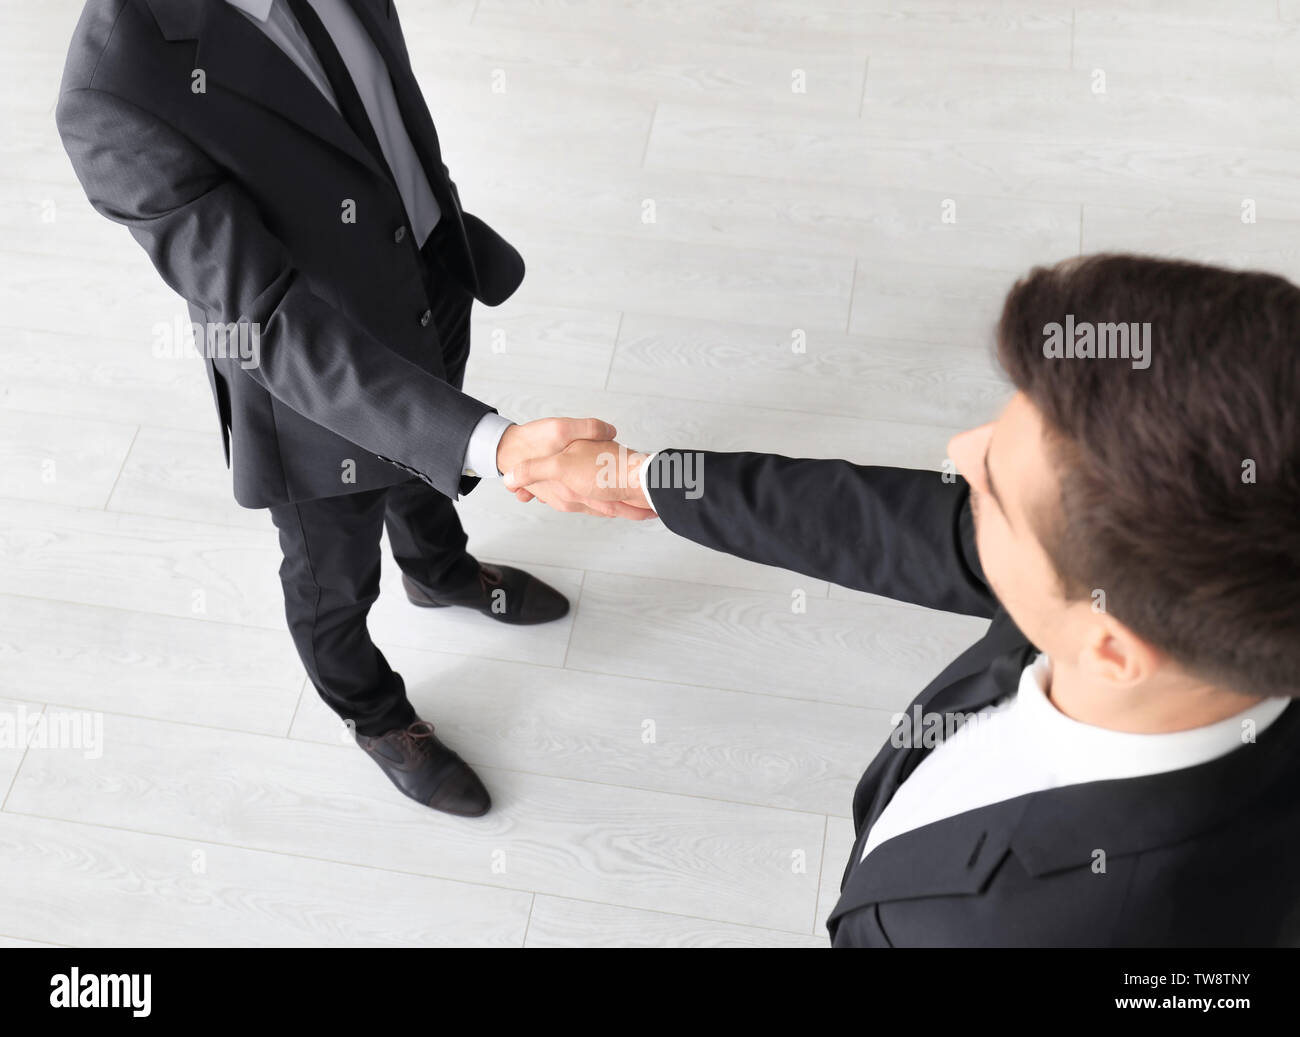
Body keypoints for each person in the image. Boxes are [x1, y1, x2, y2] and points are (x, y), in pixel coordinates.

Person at [505, 254, 1300, 947]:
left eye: (989, 492)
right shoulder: (1188, 597)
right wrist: (642, 477)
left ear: (1114, 648)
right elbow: (880, 523)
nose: (959, 454)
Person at [55, 0, 652, 820]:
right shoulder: (114, 90)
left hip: (430, 283)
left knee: (428, 472)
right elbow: (259, 317)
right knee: (329, 580)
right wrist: (500, 446)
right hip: (315, 389)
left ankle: (438, 572)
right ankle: (374, 716)